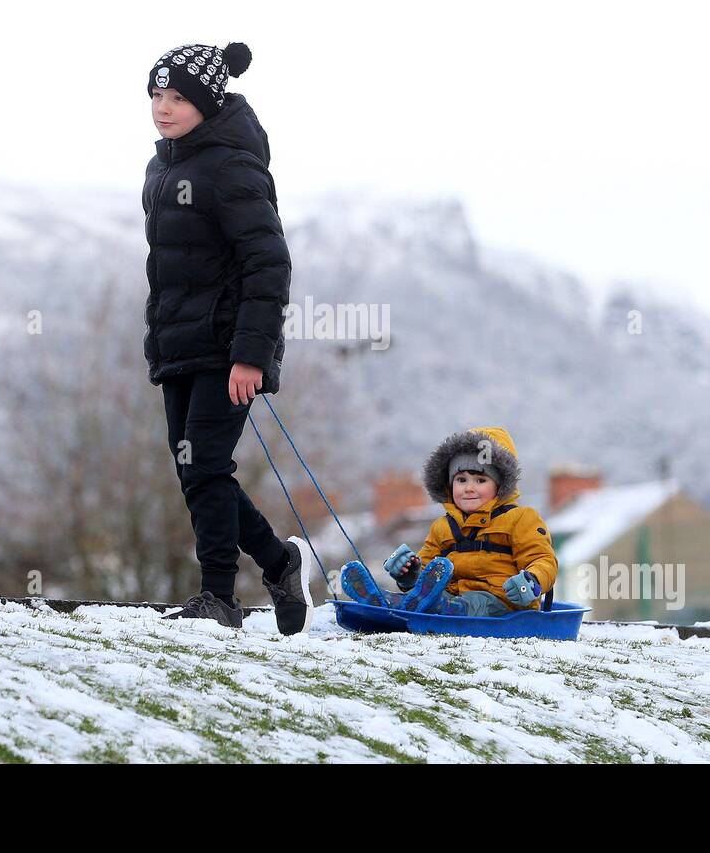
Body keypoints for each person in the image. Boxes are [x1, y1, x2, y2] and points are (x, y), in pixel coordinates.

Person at [142, 41, 312, 634]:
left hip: (227, 345)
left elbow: (268, 264)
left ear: (208, 102)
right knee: (195, 468)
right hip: (178, 347)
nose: (164, 108)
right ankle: (277, 560)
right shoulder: (162, 166)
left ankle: (218, 597)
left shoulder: (232, 166)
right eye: (157, 96)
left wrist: (250, 356)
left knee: (207, 465)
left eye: (178, 97)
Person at [341, 426, 557, 616]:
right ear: (449, 484)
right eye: (461, 480)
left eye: (480, 480)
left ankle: (434, 608)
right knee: (436, 593)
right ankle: (390, 602)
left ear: (500, 485)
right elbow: (429, 569)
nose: (469, 488)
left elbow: (543, 560)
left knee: (474, 602)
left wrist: (533, 580)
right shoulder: (443, 527)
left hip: (504, 603)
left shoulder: (520, 519)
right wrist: (410, 573)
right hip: (451, 597)